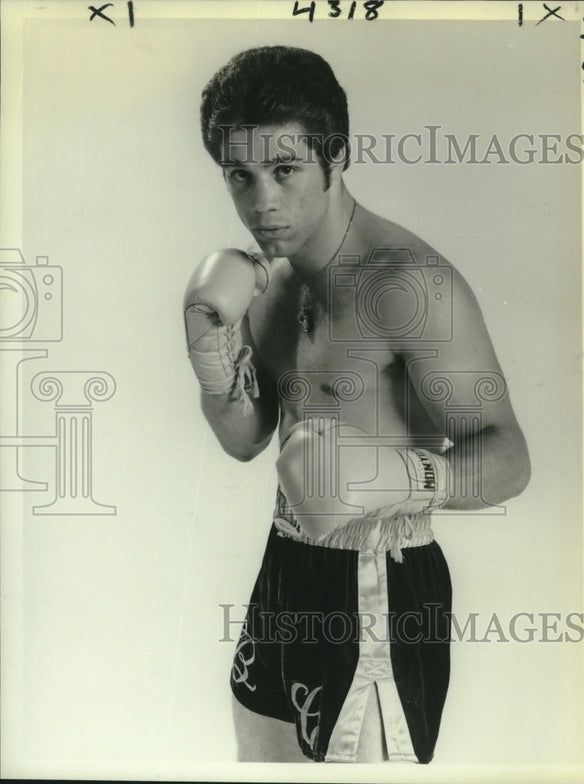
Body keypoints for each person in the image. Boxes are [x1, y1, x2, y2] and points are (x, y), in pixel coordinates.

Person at [184, 45, 530, 763]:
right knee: (260, 763)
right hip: (284, 566)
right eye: (240, 176)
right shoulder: (266, 280)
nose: (261, 202)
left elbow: (509, 459)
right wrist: (214, 368)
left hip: (379, 583)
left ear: (335, 155)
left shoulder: (407, 286)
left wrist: (397, 479)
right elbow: (247, 441)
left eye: (285, 170)